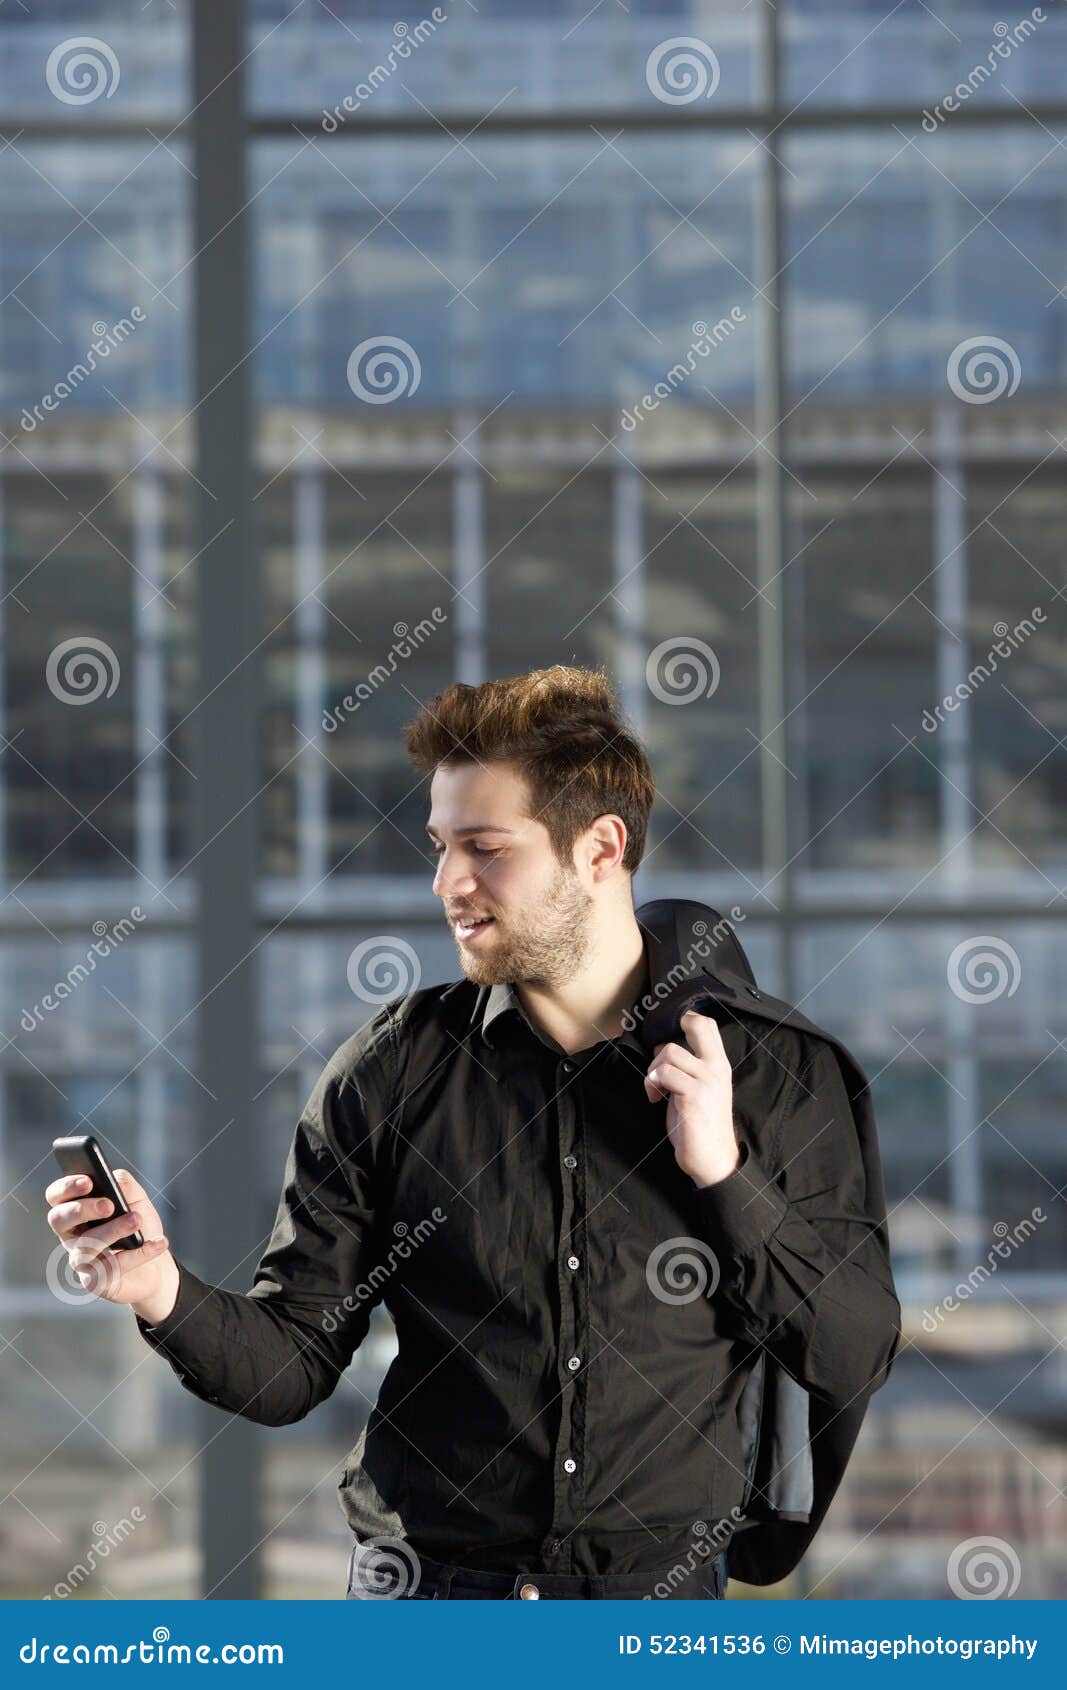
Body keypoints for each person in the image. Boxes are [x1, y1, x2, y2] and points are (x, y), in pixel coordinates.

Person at [44, 663, 900, 1601]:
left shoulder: (775, 1072)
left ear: (601, 849)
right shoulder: (389, 1072)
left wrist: (725, 1175)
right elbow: (290, 1369)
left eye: (486, 847)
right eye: (440, 846)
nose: (450, 881)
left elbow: (851, 1352)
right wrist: (159, 1289)